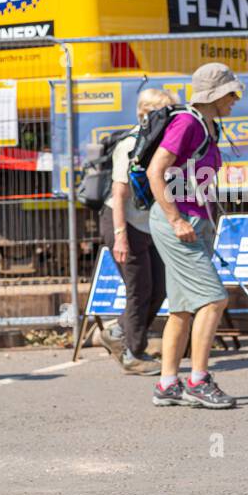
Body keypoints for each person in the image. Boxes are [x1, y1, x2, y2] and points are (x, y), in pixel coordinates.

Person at [146, 62, 241, 409]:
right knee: (214, 300)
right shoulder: (187, 123)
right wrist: (175, 220)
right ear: (214, 95)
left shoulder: (205, 124)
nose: (235, 99)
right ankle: (198, 380)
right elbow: (156, 171)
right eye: (231, 93)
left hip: (191, 219)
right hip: (179, 223)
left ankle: (167, 383)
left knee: (183, 308)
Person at [99, 88, 177, 375]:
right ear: (148, 115)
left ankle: (119, 332)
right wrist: (120, 236)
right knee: (139, 289)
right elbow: (119, 195)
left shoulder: (160, 144)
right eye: (166, 114)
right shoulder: (131, 144)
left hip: (147, 226)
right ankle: (133, 353)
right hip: (123, 223)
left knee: (159, 288)